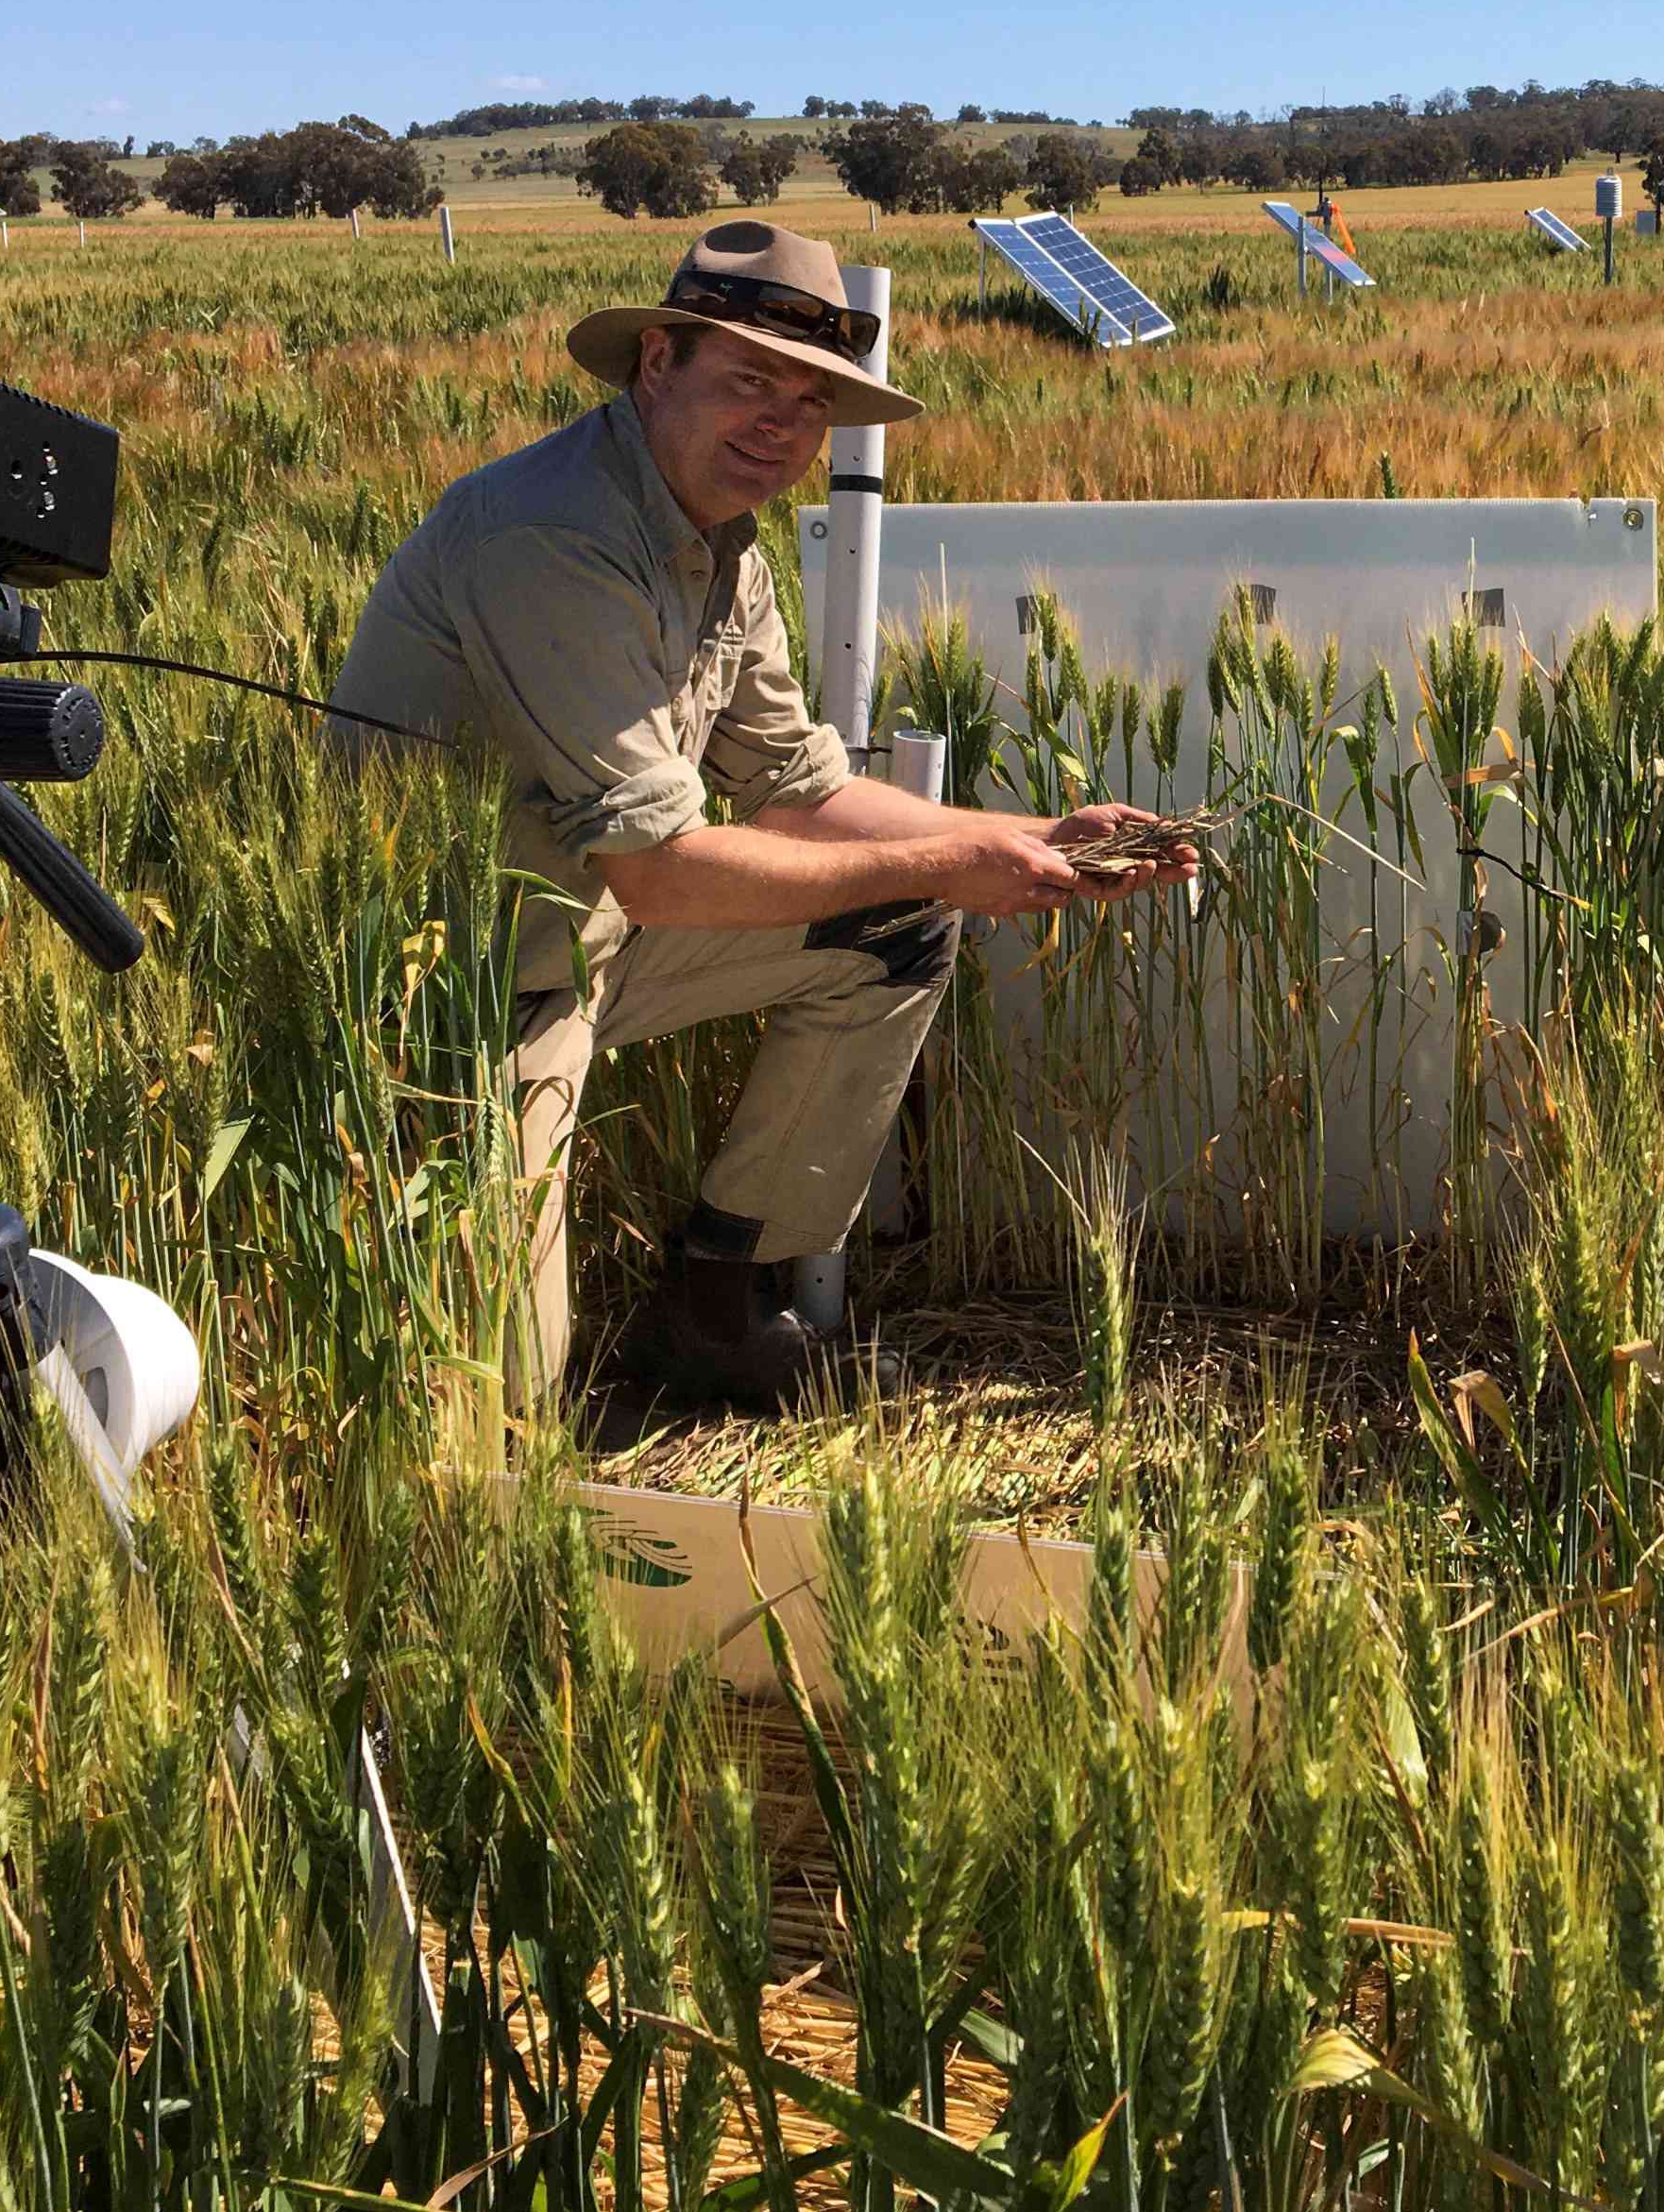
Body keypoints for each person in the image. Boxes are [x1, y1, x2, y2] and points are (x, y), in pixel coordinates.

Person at [336, 220, 1193, 1413]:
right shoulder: (554, 538)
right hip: (464, 992)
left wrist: (1030, 839)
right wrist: (955, 858)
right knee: (500, 1403)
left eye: (809, 402)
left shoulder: (721, 543)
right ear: (655, 366)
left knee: (895, 929)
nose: (779, 426)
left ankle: (715, 1307)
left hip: (591, 947)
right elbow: (667, 875)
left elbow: (797, 780)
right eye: (748, 381)